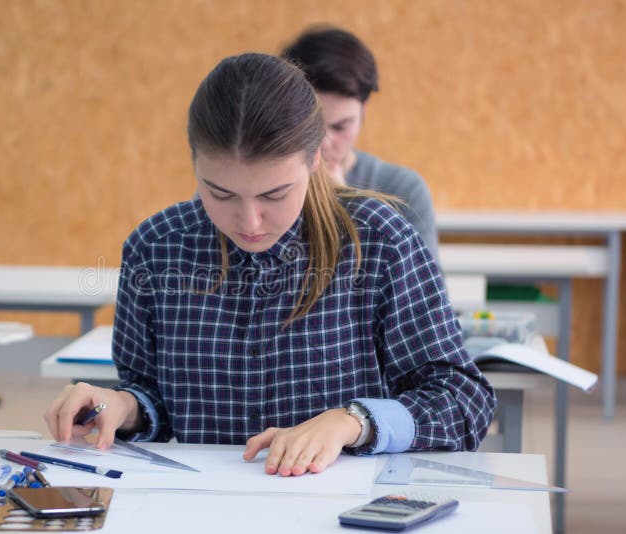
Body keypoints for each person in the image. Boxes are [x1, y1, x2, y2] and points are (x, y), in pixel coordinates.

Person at [45, 53, 495, 477]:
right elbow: (152, 398)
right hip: (201, 505)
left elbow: (464, 402)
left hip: (337, 509)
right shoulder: (155, 247)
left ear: (315, 158)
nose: (250, 222)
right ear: (194, 163)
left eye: (274, 194)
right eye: (220, 193)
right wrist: (120, 406)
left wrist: (353, 422)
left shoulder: (378, 240)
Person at [282, 26, 440, 262]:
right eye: (311, 126)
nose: (324, 143)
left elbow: (425, 284)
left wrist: (347, 209)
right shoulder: (266, 187)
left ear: (363, 112)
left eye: (340, 127)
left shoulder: (402, 190)